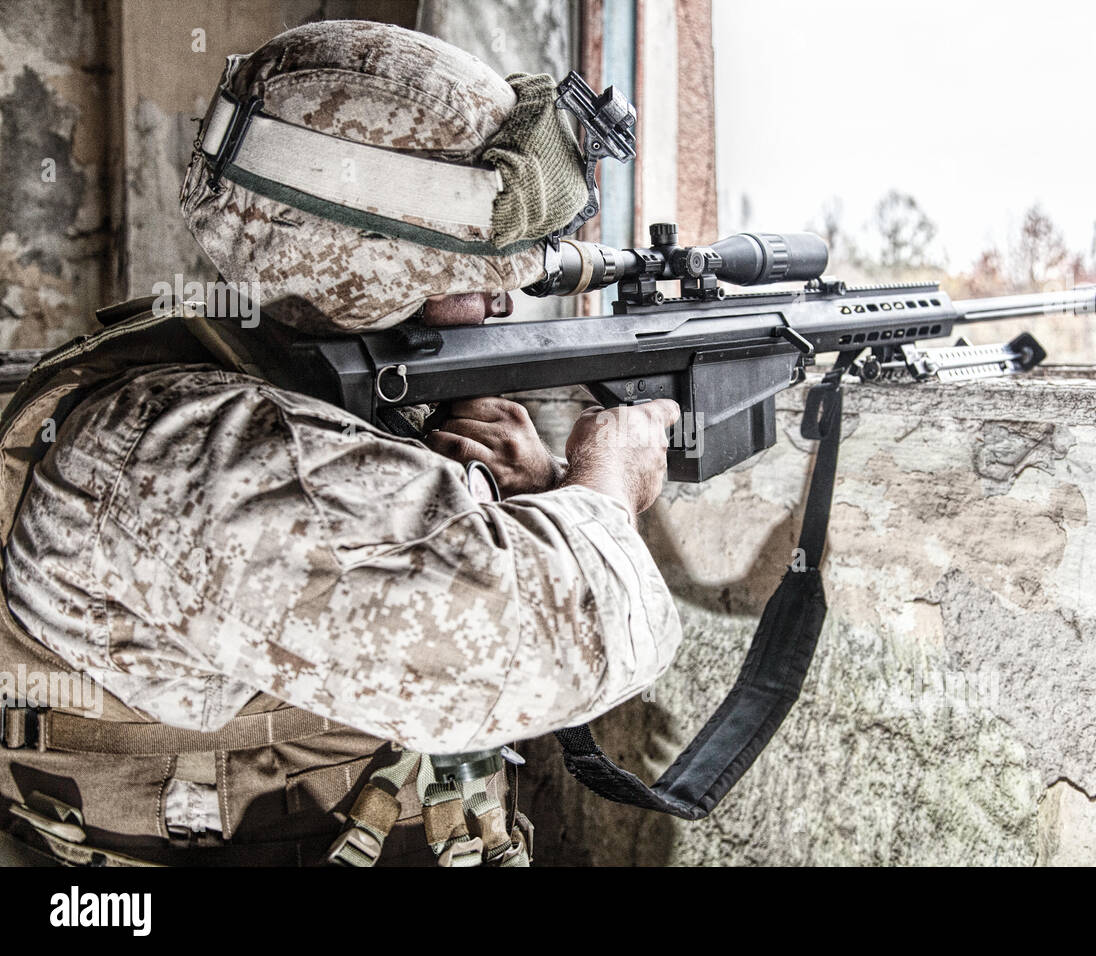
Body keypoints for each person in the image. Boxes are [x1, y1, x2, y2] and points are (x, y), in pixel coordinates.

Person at [0, 20, 681, 867]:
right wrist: (609, 477)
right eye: (477, 275)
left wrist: (534, 491)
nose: (503, 304)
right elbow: (566, 639)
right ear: (376, 272)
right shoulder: (188, 454)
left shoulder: (256, 366)